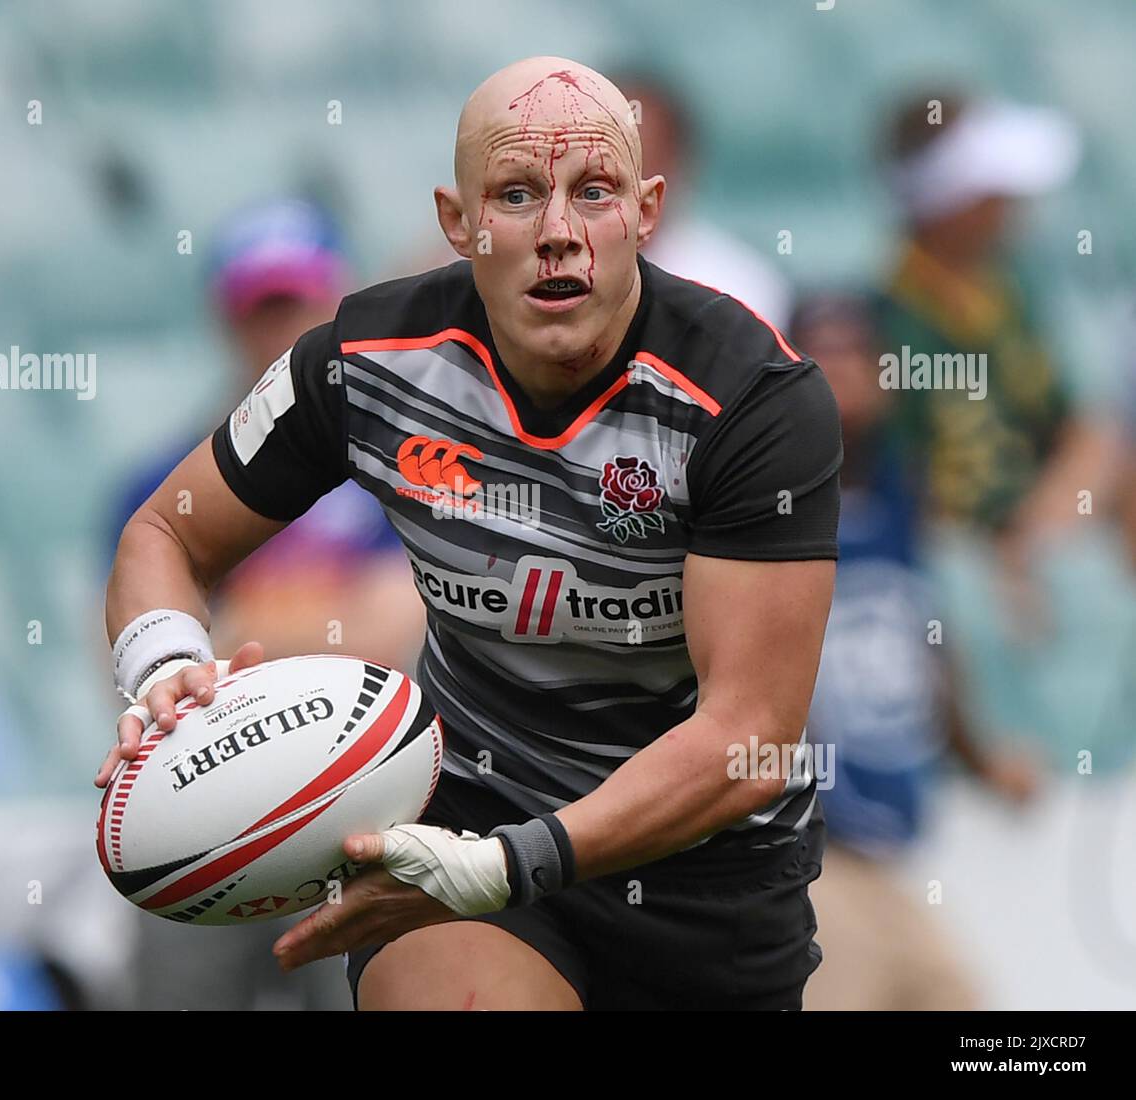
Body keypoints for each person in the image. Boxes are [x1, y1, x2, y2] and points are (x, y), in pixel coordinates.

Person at [99, 57, 843, 1011]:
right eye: (519, 195)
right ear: (458, 222)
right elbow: (166, 531)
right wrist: (164, 676)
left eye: (596, 192)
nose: (560, 235)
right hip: (466, 834)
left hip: (706, 882)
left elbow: (749, 735)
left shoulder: (753, 399)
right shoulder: (362, 363)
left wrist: (515, 862)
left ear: (648, 210)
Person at [107, 198, 423, 1010]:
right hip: (200, 811)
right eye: (262, 308)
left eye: (301, 303)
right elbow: (125, 654)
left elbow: (395, 630)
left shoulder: (402, 465)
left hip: (361, 811)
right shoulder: (161, 485)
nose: (280, 331)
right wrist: (325, 621)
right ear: (225, 320)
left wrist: (239, 630)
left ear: (338, 303)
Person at [787, 294, 1040, 1010]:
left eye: (855, 355)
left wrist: (988, 760)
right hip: (809, 861)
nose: (840, 374)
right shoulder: (762, 509)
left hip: (891, 859)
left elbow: (925, 650)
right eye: (819, 355)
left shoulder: (901, 499)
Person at [873, 92, 1112, 638]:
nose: (1011, 207)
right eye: (992, 194)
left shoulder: (1005, 292)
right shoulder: (889, 324)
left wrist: (1037, 526)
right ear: (950, 204)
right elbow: (907, 479)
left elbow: (1073, 422)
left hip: (1030, 529)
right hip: (958, 557)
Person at [615, 70, 793, 327]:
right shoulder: (547, 278)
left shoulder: (744, 287)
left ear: (680, 164)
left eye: (643, 162)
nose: (627, 183)